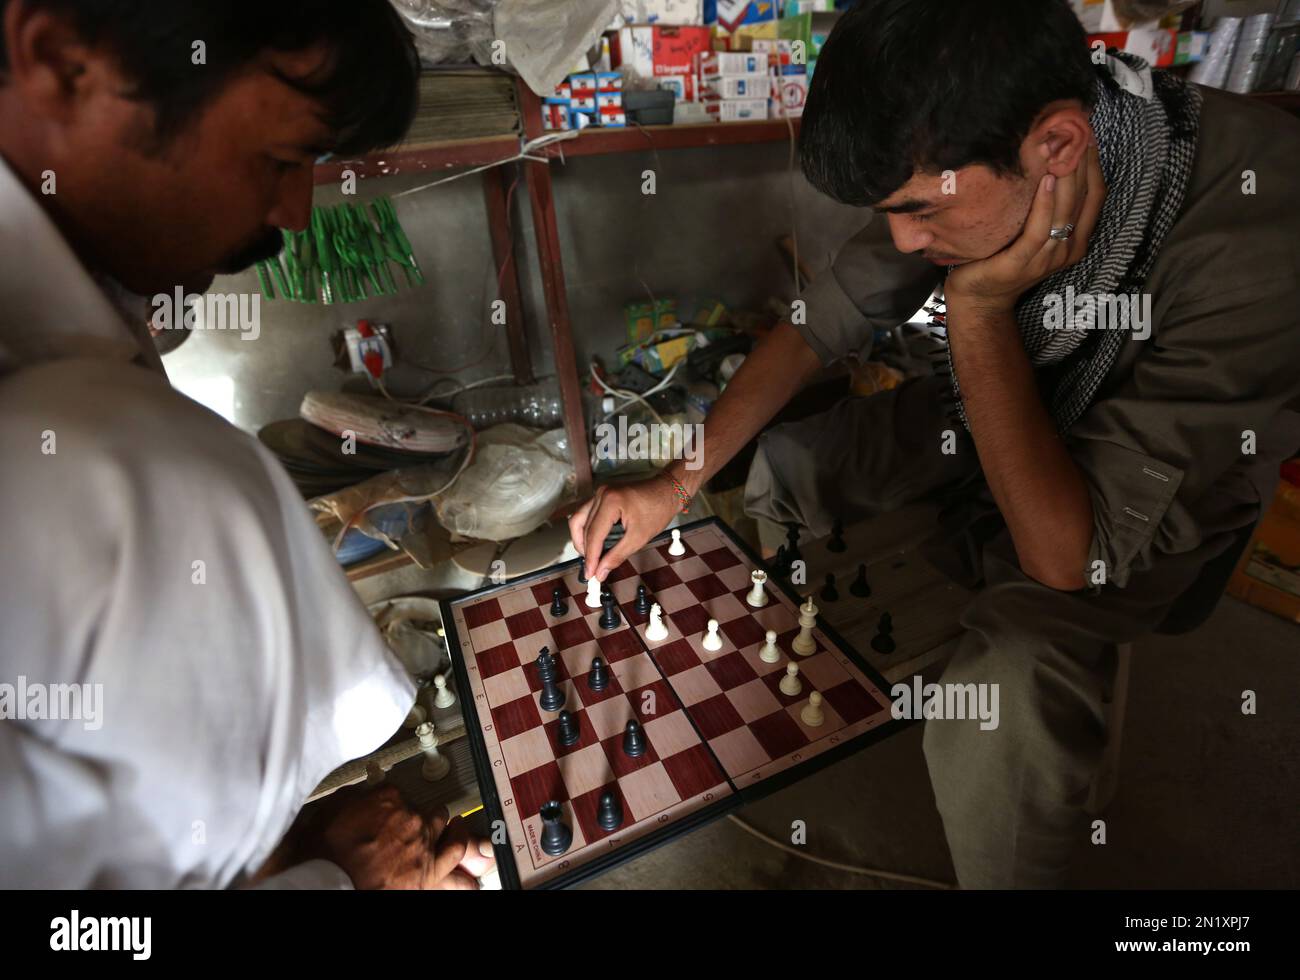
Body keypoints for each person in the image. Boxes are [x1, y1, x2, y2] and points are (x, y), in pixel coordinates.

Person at [570, 0, 1300, 887]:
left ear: (1058, 147)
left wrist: (981, 308)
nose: (905, 240)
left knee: (1006, 686)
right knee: (783, 463)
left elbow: (1067, 553)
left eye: (918, 211)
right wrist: (675, 486)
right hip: (1001, 402)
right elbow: (814, 326)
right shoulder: (982, 150)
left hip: (1127, 511)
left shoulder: (1262, 231)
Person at [0, 1, 492, 889]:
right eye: (279, 158)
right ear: (64, 59)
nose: (294, 214)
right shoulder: (86, 445)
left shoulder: (84, 359)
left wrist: (303, 858)